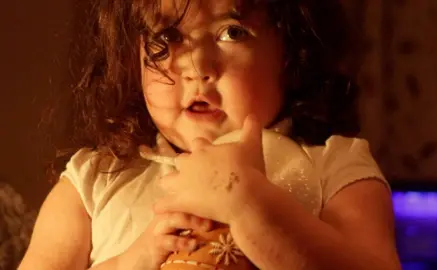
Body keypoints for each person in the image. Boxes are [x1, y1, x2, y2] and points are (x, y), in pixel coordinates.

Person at [19, 0, 401, 269]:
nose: (196, 65)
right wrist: (129, 263)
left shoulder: (334, 164)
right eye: (167, 37)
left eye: (232, 32)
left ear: (290, 50)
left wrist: (249, 205)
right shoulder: (94, 181)